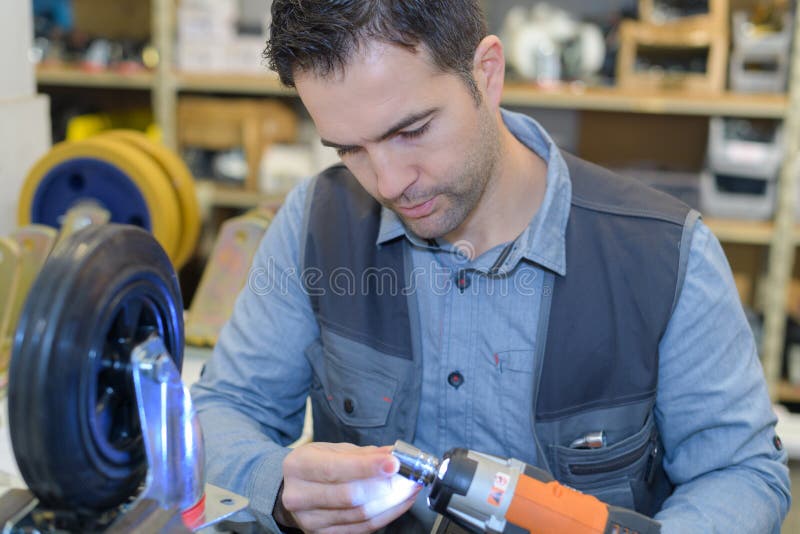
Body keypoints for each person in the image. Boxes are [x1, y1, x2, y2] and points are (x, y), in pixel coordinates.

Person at [190, 1, 791, 533]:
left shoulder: (665, 255)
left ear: (487, 73)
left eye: (412, 131)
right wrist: (276, 486)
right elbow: (224, 410)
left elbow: (741, 473)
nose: (389, 183)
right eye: (350, 149)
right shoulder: (313, 225)